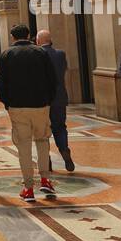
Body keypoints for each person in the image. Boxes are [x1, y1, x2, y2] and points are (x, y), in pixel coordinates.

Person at [0, 24, 57, 203]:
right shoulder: (41, 53)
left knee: (23, 146)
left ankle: (28, 188)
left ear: (12, 37)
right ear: (29, 35)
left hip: (18, 107)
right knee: (43, 141)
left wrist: (8, 104)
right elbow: (52, 80)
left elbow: (2, 84)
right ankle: (45, 179)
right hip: (41, 105)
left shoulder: (6, 55)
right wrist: (48, 100)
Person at [36, 29, 75, 171]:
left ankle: (47, 160)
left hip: (42, 100)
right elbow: (63, 70)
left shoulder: (37, 55)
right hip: (59, 97)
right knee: (60, 127)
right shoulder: (60, 54)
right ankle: (64, 150)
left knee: (42, 131)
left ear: (38, 41)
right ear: (50, 40)